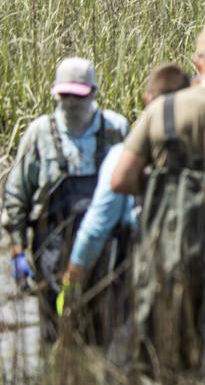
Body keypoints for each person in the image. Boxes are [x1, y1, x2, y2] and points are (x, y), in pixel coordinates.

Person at [110, 21, 205, 380]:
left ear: (198, 63)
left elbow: (120, 179)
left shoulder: (163, 110)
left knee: (155, 367)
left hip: (160, 258)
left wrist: (163, 190)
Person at [57, 64, 191, 344]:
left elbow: (96, 228)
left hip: (139, 277)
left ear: (146, 100)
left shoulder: (124, 157)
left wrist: (71, 280)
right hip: (196, 276)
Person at [3, 57, 128, 344]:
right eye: (65, 95)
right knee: (54, 332)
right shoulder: (40, 133)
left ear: (94, 92)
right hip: (51, 248)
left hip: (105, 250)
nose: (71, 102)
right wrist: (17, 251)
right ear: (55, 94)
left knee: (102, 334)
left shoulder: (115, 130)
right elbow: (16, 196)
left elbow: (134, 196)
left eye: (78, 95)